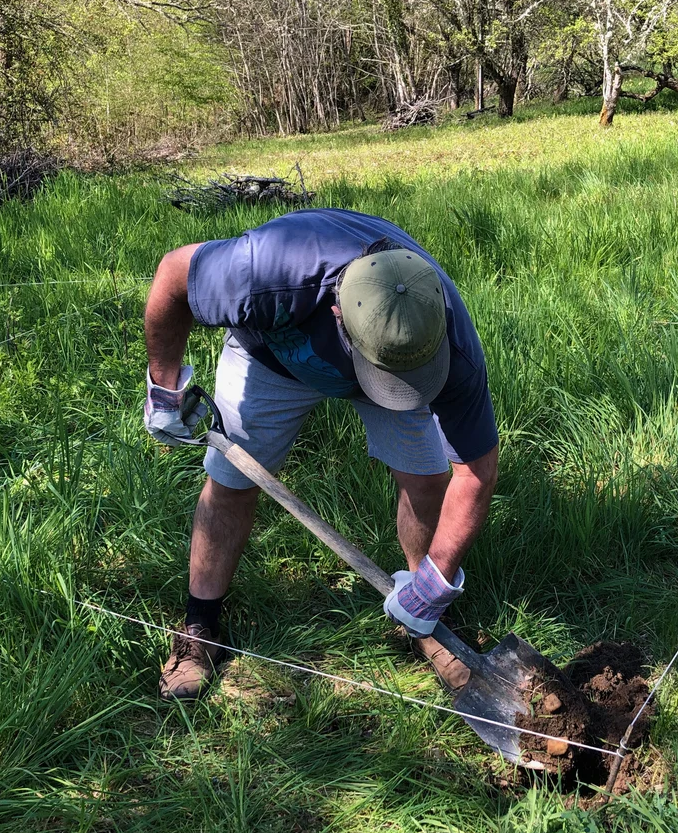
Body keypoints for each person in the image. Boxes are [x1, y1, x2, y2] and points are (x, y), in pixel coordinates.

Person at [143, 207, 499, 699]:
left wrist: (437, 581)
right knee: (231, 482)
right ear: (337, 314)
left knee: (426, 480)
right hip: (271, 356)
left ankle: (426, 620)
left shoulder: (442, 339)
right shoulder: (267, 271)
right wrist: (164, 389)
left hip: (402, 366)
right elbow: (172, 276)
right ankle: (198, 630)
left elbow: (475, 473)